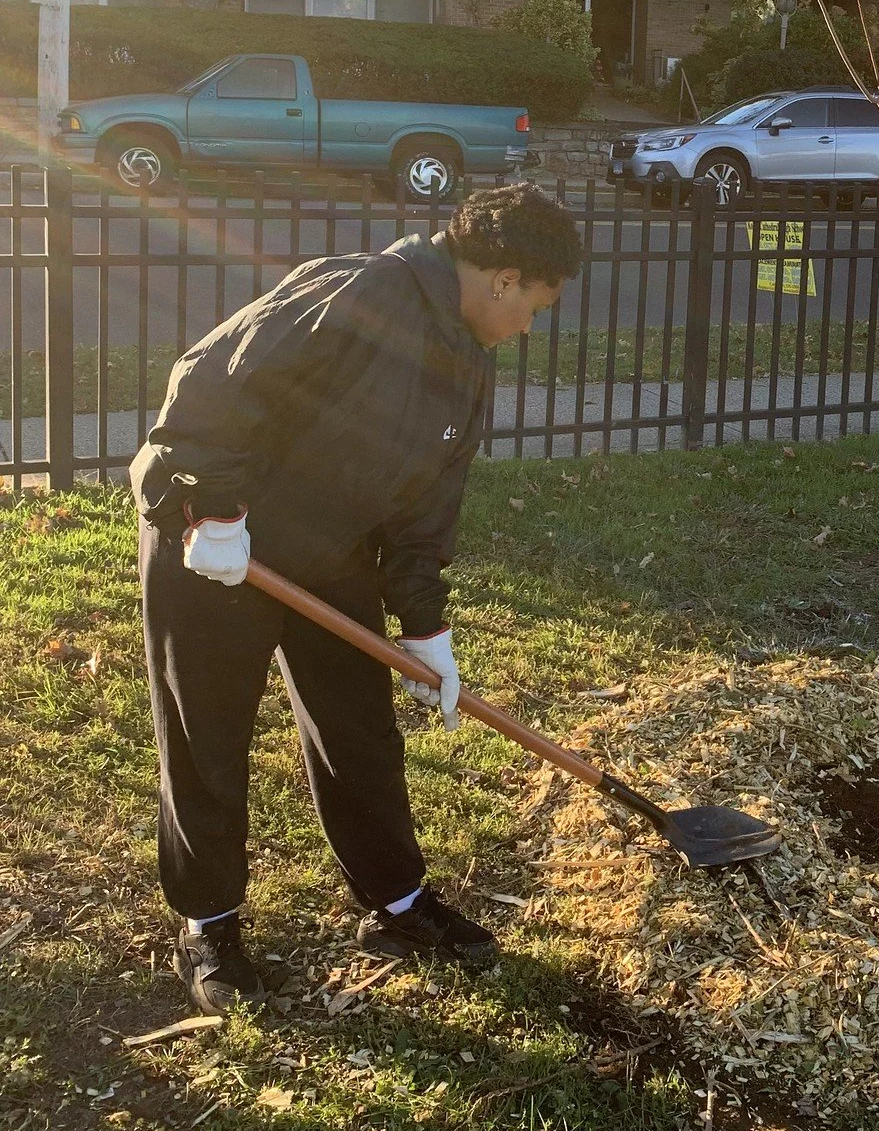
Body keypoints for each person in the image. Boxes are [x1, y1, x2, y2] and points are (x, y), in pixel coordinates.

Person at [130, 183, 581, 1015]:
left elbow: (423, 508)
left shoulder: (467, 361)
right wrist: (215, 512)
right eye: (535, 306)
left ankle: (399, 904)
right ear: (504, 279)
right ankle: (208, 924)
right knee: (208, 733)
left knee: (359, 728)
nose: (529, 327)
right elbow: (208, 386)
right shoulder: (361, 291)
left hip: (326, 551)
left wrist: (425, 629)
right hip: (217, 547)